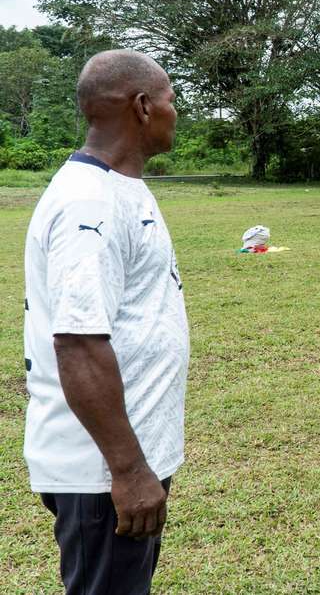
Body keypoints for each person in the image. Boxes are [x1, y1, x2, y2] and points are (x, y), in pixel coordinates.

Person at [23, 50, 189, 594]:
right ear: (143, 107)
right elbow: (78, 344)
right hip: (100, 471)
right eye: (169, 99)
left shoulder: (119, 187)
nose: (175, 111)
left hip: (122, 458)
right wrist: (128, 470)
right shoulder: (87, 204)